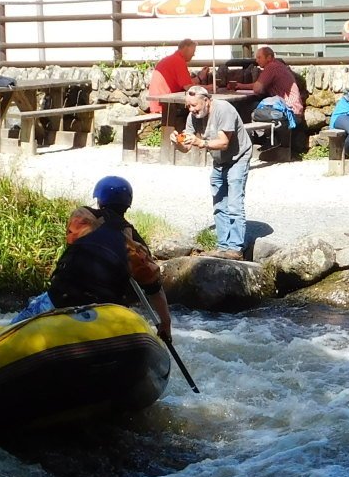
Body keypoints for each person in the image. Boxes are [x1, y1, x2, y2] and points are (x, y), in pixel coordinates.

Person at [45, 176, 173, 341]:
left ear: (99, 201)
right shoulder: (135, 243)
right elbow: (154, 289)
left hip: (60, 298)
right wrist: (166, 322)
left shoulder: (81, 218)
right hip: (107, 309)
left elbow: (75, 238)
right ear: (127, 205)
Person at [173, 83, 251, 259]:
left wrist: (202, 143)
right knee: (218, 203)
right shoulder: (193, 116)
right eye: (188, 105)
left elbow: (224, 143)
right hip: (219, 160)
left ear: (207, 101)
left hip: (238, 157)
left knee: (234, 203)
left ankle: (236, 248)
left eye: (194, 105)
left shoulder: (224, 110)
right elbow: (186, 148)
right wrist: (177, 142)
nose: (191, 109)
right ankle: (223, 246)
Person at [248, 45, 303, 129]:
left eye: (259, 57)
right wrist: (240, 85)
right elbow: (258, 84)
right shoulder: (279, 65)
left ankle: (250, 136)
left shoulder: (271, 67)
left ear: (269, 57)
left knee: (249, 108)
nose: (256, 60)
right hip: (295, 109)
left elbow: (257, 88)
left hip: (288, 111)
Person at [145, 39, 199, 113]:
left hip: (157, 103)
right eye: (193, 51)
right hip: (164, 106)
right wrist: (206, 88)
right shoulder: (178, 61)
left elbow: (184, 84)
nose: (193, 54)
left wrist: (200, 78)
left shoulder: (172, 59)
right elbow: (188, 88)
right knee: (196, 109)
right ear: (186, 48)